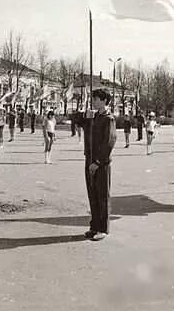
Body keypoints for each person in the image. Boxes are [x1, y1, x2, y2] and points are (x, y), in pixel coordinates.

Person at [80, 89, 117, 241]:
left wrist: (98, 162)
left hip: (100, 164)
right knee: (92, 195)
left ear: (103, 100)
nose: (93, 101)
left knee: (102, 196)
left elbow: (109, 142)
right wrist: (85, 117)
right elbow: (76, 120)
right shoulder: (93, 117)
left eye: (95, 99)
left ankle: (103, 228)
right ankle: (94, 226)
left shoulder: (109, 119)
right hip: (89, 160)